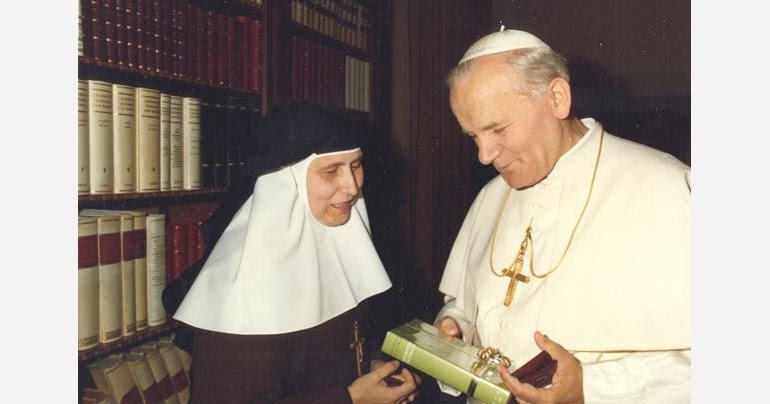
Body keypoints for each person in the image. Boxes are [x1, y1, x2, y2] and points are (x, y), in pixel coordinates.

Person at [435, 29, 691, 403]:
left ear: (557, 98)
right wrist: (457, 324)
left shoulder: (665, 185)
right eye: (473, 136)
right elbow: (470, 300)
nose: (484, 155)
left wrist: (590, 388)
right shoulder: (490, 196)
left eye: (498, 129)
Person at [166, 102, 420, 403]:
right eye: (331, 170)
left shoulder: (339, 240)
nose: (352, 187)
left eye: (355, 165)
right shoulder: (241, 289)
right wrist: (350, 399)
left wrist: (377, 369)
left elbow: (348, 342)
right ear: (288, 180)